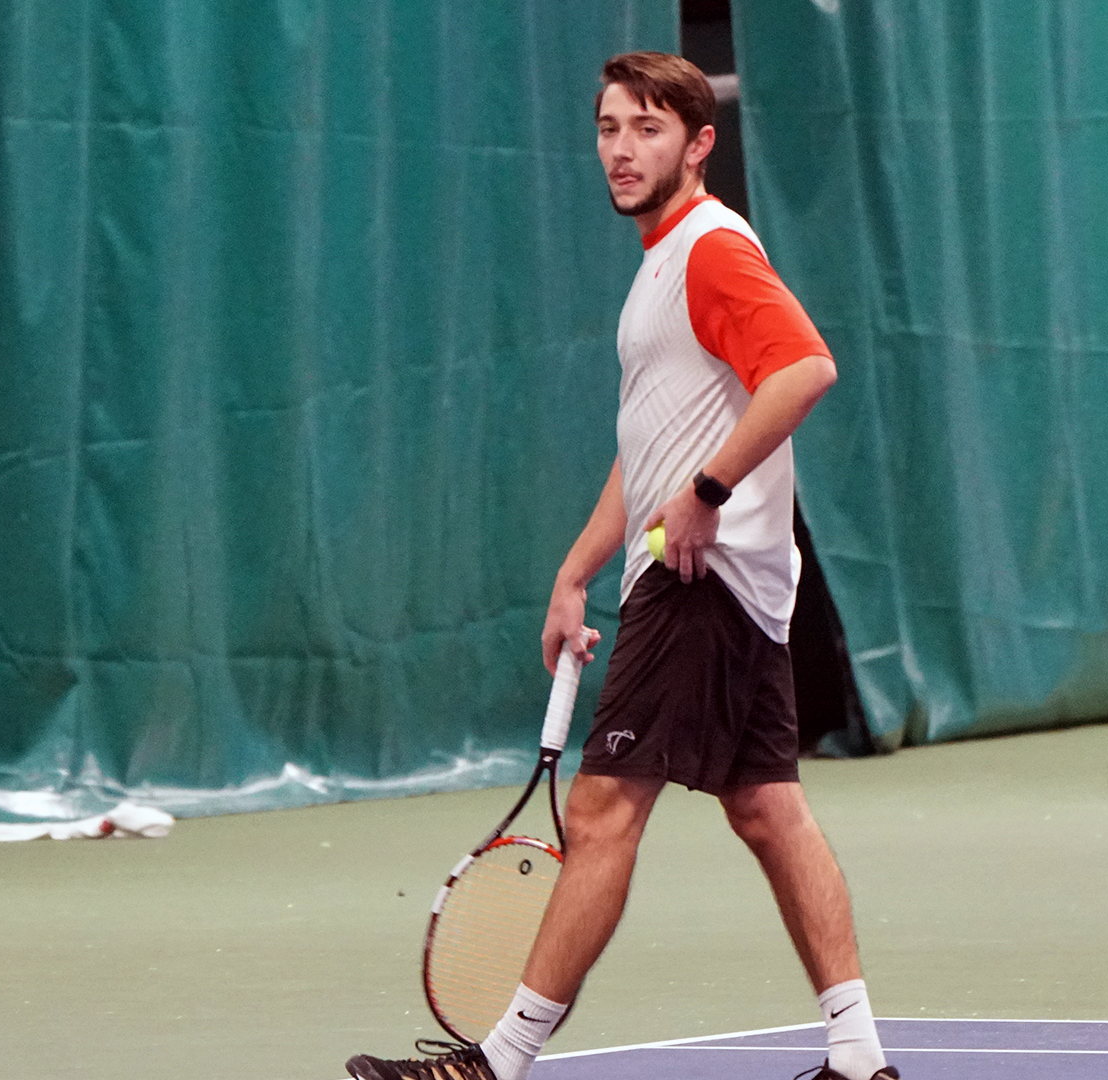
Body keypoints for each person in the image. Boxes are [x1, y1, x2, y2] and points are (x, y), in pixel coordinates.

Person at [347, 52, 895, 1080]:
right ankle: (860, 1059)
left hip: (702, 581)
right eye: (608, 127)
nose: (622, 148)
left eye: (647, 128)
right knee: (770, 809)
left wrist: (706, 493)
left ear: (698, 144)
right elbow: (651, 442)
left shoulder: (710, 251)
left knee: (601, 814)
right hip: (723, 582)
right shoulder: (664, 262)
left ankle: (495, 1063)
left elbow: (805, 369)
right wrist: (576, 569)